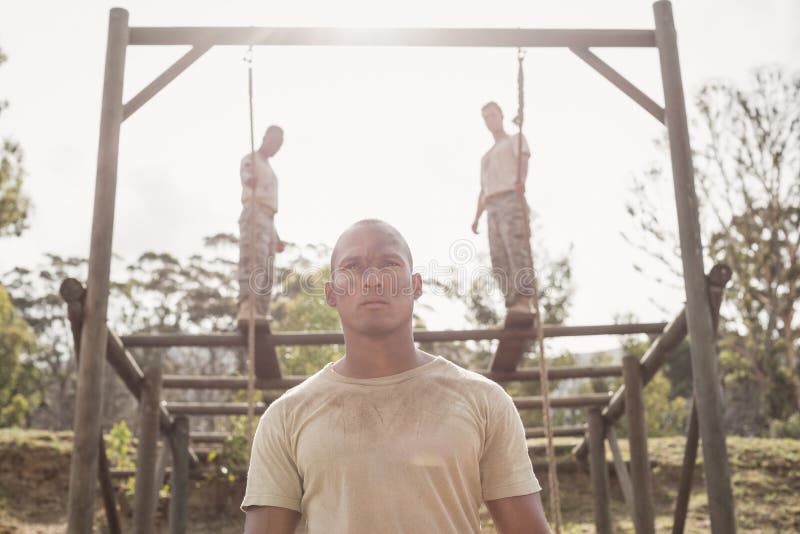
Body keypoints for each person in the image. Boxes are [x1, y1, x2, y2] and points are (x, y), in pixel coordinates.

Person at [242, 219, 551, 534]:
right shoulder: (286, 416)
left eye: (389, 264)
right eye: (352, 266)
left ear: (415, 286)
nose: (373, 280)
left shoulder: (484, 400)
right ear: (331, 293)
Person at [471, 101, 536, 315]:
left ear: (501, 115)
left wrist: (522, 180)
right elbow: (483, 189)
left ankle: (525, 300)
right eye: (485, 117)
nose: (490, 120)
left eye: (492, 115)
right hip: (491, 205)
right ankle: (511, 304)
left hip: (511, 198)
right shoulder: (485, 156)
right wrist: (476, 217)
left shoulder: (515, 139)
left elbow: (523, 160)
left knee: (515, 248)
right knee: (498, 256)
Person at [238, 125, 286, 326]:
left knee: (267, 268)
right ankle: (247, 308)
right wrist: (250, 180)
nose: (275, 147)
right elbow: (246, 175)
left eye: (279, 145)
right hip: (254, 212)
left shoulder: (270, 167)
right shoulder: (252, 159)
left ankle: (261, 310)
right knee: (254, 260)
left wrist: (276, 235)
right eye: (273, 142)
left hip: (268, 218)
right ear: (265, 138)